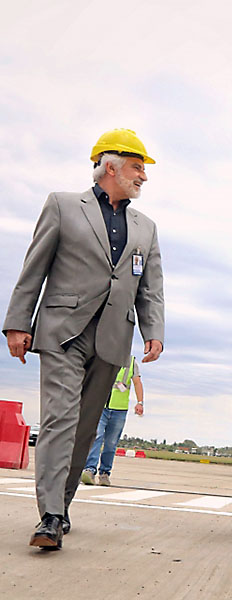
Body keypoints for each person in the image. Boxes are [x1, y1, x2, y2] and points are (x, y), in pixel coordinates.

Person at [3, 129, 165, 550]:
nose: (143, 176)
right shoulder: (62, 205)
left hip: (112, 337)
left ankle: (62, 505)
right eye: (136, 167)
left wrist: (154, 332)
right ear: (109, 167)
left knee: (85, 428)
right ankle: (50, 516)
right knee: (60, 418)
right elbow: (34, 265)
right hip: (61, 331)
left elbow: (150, 285)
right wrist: (18, 322)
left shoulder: (145, 227)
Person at [81, 357, 144, 486]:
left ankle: (104, 473)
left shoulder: (131, 362)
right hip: (100, 406)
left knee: (111, 443)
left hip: (119, 409)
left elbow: (137, 382)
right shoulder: (104, 356)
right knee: (96, 437)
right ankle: (89, 470)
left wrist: (140, 402)